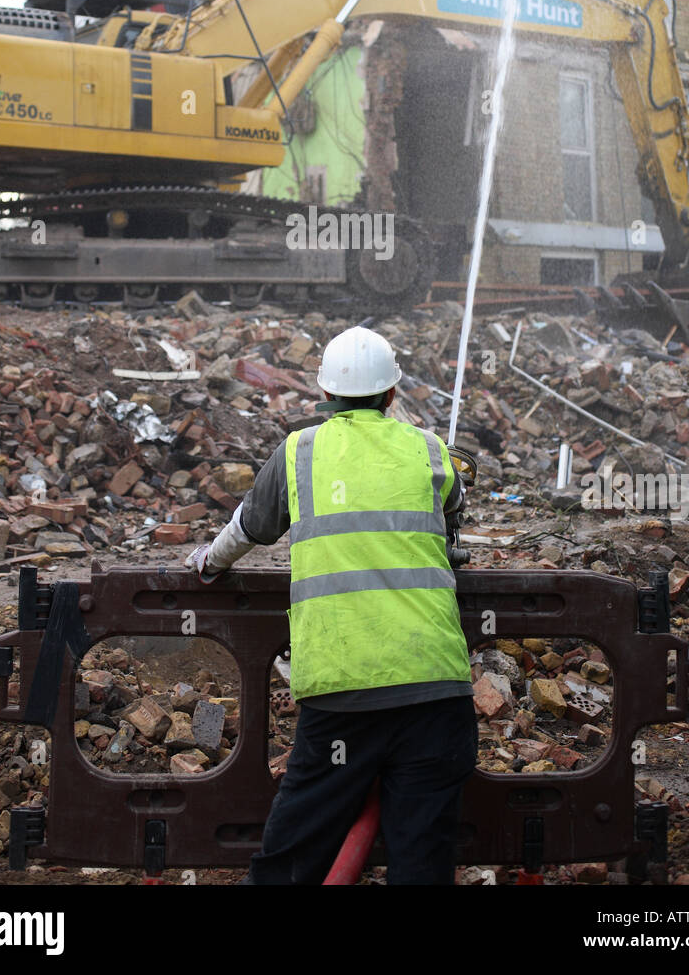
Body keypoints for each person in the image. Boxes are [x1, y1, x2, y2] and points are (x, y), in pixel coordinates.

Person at [186, 324, 478, 885]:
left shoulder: (301, 452)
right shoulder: (428, 450)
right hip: (435, 691)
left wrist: (208, 563)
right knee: (423, 863)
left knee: (292, 855)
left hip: (343, 694)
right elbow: (452, 529)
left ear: (326, 394)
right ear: (391, 394)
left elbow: (248, 528)